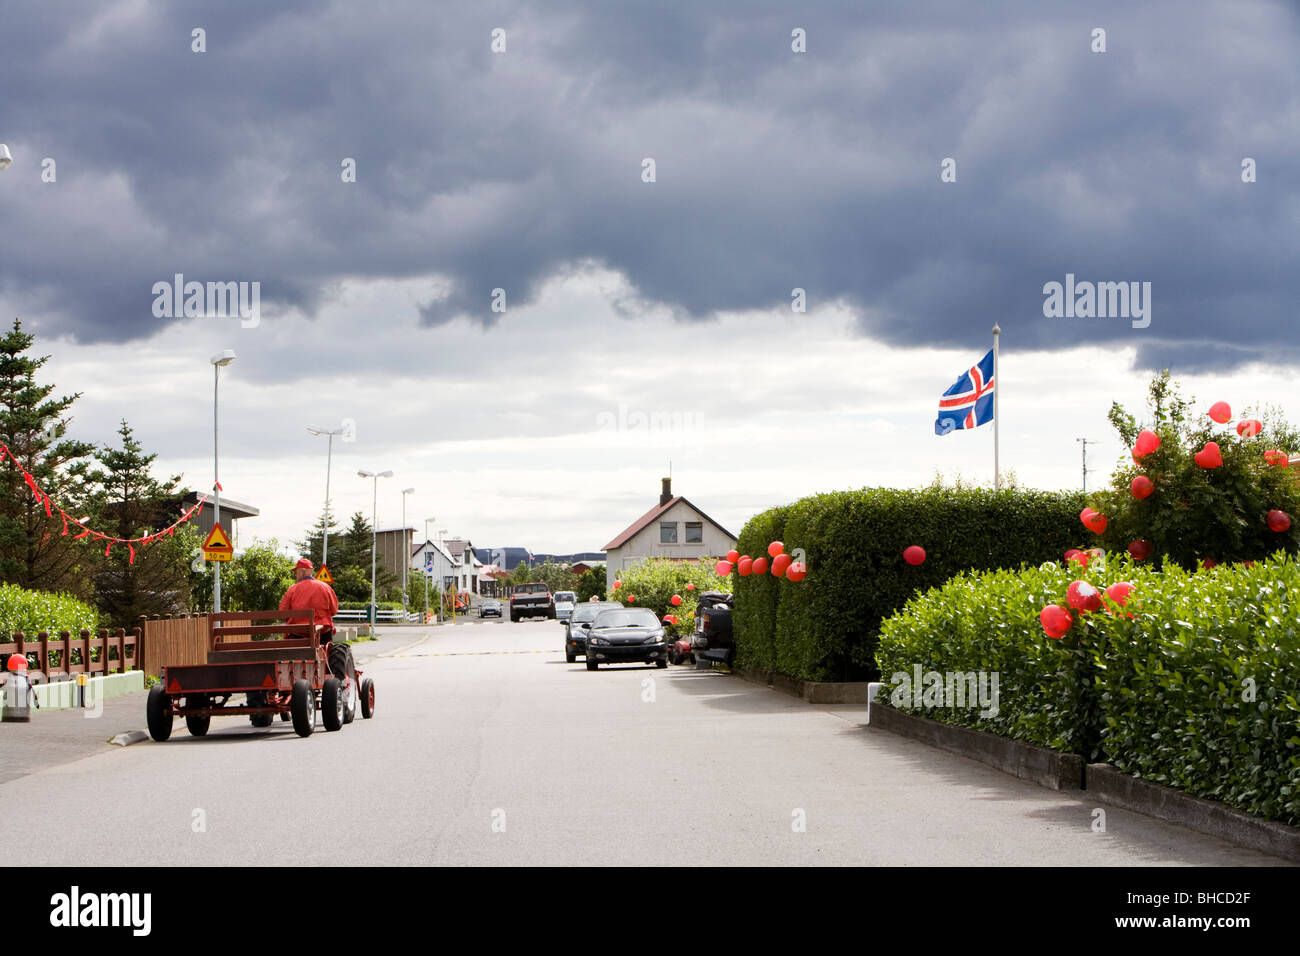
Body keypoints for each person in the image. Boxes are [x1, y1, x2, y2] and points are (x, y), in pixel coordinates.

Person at [279, 558, 339, 644]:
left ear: (301, 572)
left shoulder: (292, 590)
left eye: (296, 572)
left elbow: (283, 613)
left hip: (298, 633)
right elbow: (334, 611)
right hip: (322, 632)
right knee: (328, 639)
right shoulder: (325, 587)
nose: (295, 575)